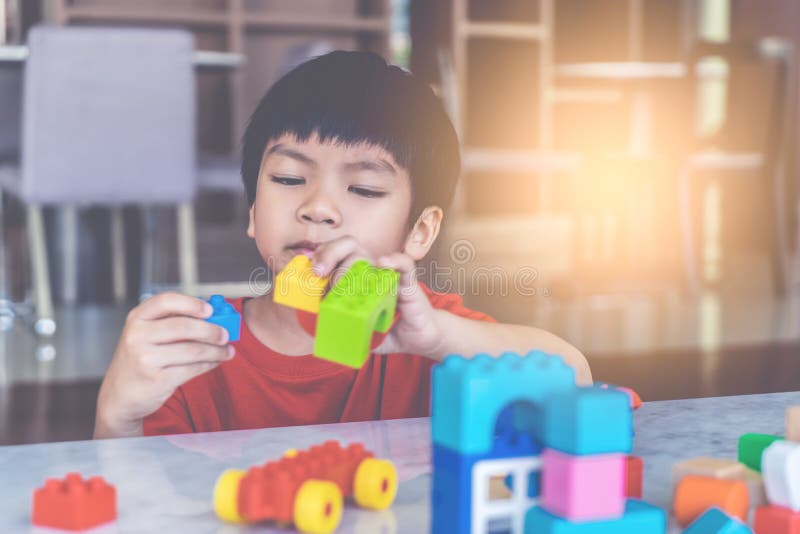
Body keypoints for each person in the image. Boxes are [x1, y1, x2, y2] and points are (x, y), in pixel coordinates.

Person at [94, 51, 591, 439]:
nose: (319, 207)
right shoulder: (196, 356)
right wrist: (117, 415)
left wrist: (440, 338)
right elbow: (133, 497)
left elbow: (575, 382)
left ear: (420, 232)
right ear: (252, 212)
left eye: (364, 189)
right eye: (289, 178)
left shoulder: (433, 336)